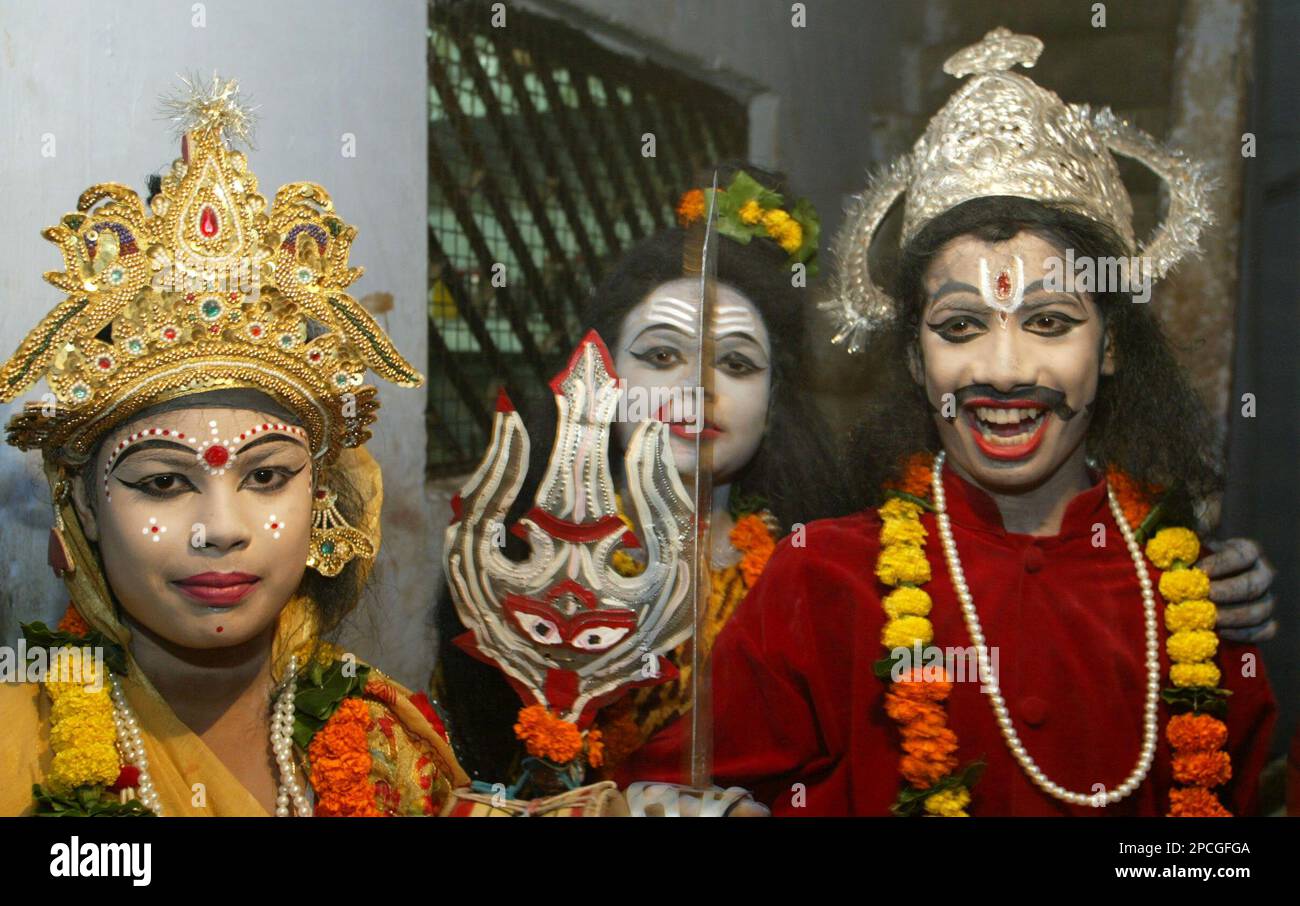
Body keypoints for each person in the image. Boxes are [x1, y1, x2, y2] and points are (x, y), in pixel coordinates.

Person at [624, 29, 1278, 817]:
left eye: (1048, 321)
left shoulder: (1193, 597)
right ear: (912, 362)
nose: (1003, 369)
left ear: (1109, 348)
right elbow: (658, 790)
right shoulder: (822, 581)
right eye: (961, 327)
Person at [0, 76, 467, 816]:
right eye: (162, 483)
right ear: (83, 505)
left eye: (268, 476)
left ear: (321, 497)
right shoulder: (15, 753)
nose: (222, 527)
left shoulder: (392, 746)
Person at [432, 166, 845, 793]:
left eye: (735, 363)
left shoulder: (817, 575)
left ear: (774, 401)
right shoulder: (519, 557)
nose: (698, 389)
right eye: (661, 356)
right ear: (601, 378)